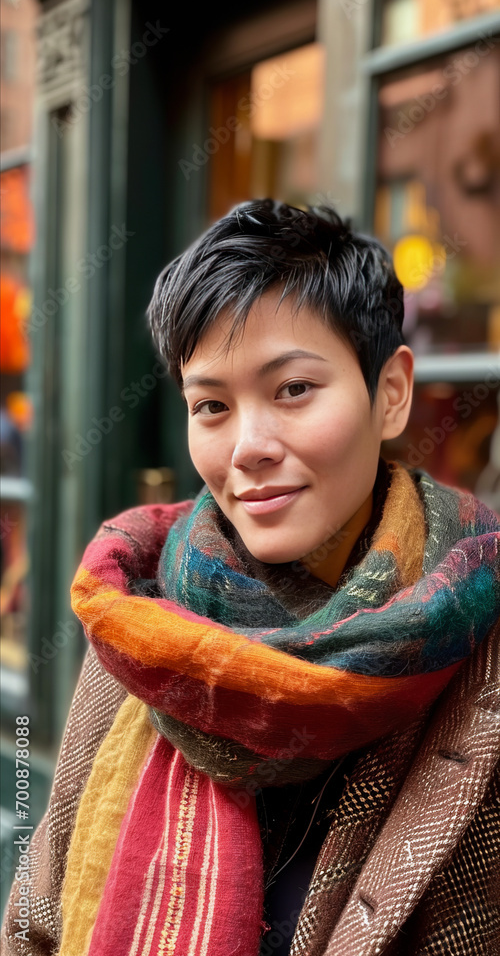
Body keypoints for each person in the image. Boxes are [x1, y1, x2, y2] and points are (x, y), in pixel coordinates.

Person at [2, 199, 499, 956]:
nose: (248, 446)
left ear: (391, 394)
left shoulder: (479, 640)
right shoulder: (139, 618)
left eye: (293, 389)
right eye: (211, 405)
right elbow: (38, 919)